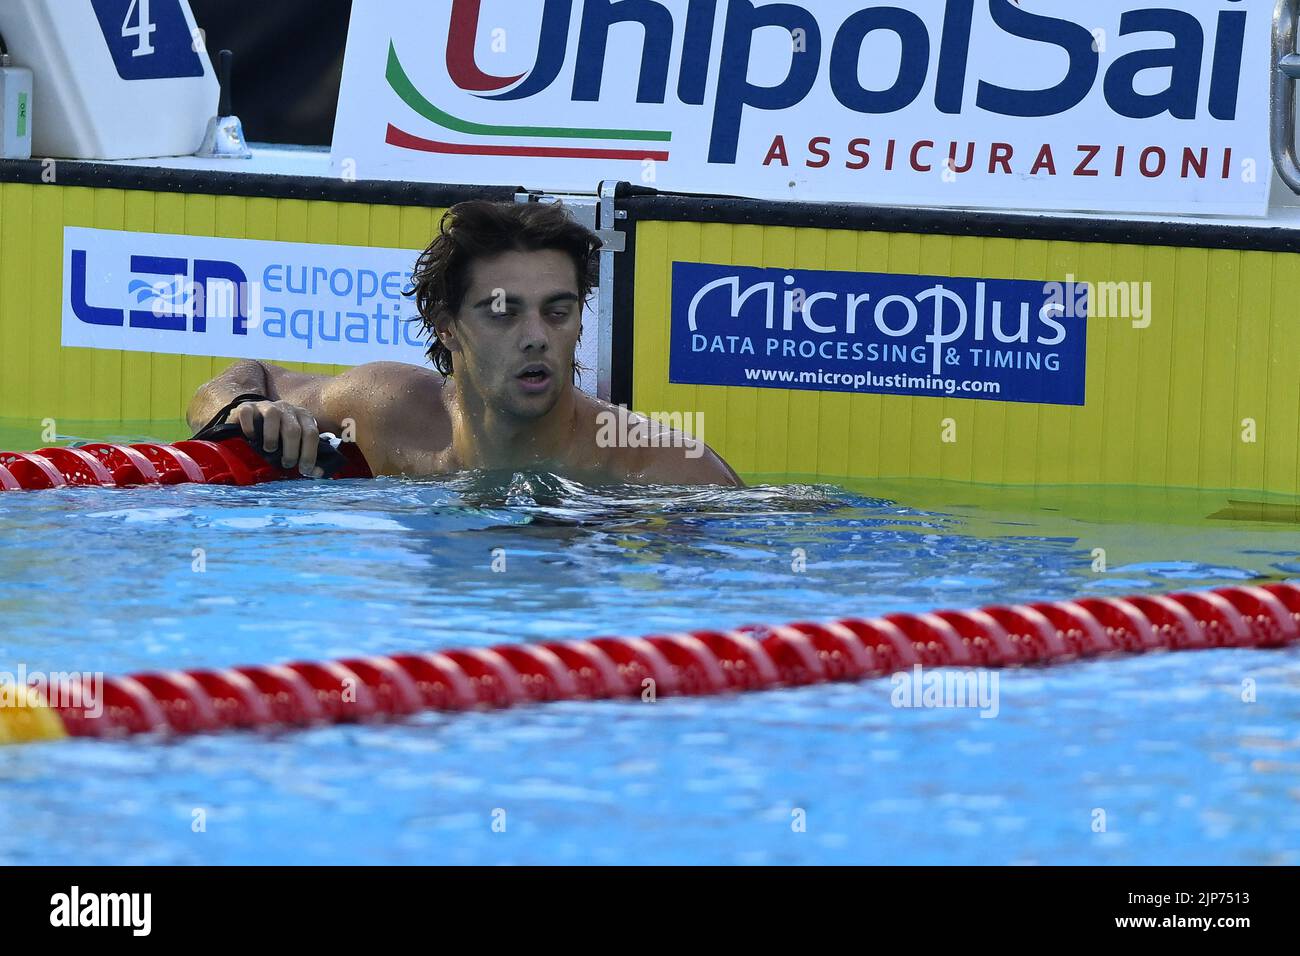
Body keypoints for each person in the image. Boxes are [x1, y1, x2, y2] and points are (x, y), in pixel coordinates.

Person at [186, 200, 742, 486]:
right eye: (503, 312)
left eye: (558, 312)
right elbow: (246, 374)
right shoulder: (390, 408)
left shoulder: (656, 465)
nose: (535, 338)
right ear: (447, 325)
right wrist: (243, 410)